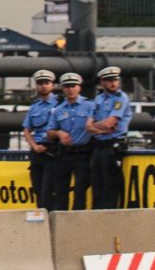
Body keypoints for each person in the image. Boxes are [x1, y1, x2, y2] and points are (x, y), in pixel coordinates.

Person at [87, 65, 132, 210]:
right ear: (102, 82)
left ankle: (108, 216)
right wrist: (100, 130)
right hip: (99, 145)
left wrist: (96, 126)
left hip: (113, 146)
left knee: (109, 184)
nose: (113, 83)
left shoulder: (121, 98)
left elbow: (110, 122)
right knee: (97, 183)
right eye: (109, 80)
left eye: (115, 80)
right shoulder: (98, 98)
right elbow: (88, 126)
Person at [47, 73, 92, 211]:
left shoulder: (90, 106)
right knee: (61, 191)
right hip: (64, 154)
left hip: (83, 153)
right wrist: (59, 133)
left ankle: (77, 223)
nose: (70, 89)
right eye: (67, 86)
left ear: (79, 88)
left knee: (80, 190)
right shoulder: (58, 110)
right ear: (63, 89)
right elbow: (49, 132)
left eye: (73, 86)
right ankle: (61, 221)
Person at [21, 69, 61, 209]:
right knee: (38, 189)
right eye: (40, 83)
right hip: (37, 151)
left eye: (47, 83)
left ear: (52, 85)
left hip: (53, 151)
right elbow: (27, 130)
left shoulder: (60, 104)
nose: (43, 86)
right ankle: (41, 220)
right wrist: (34, 146)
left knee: (48, 190)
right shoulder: (34, 107)